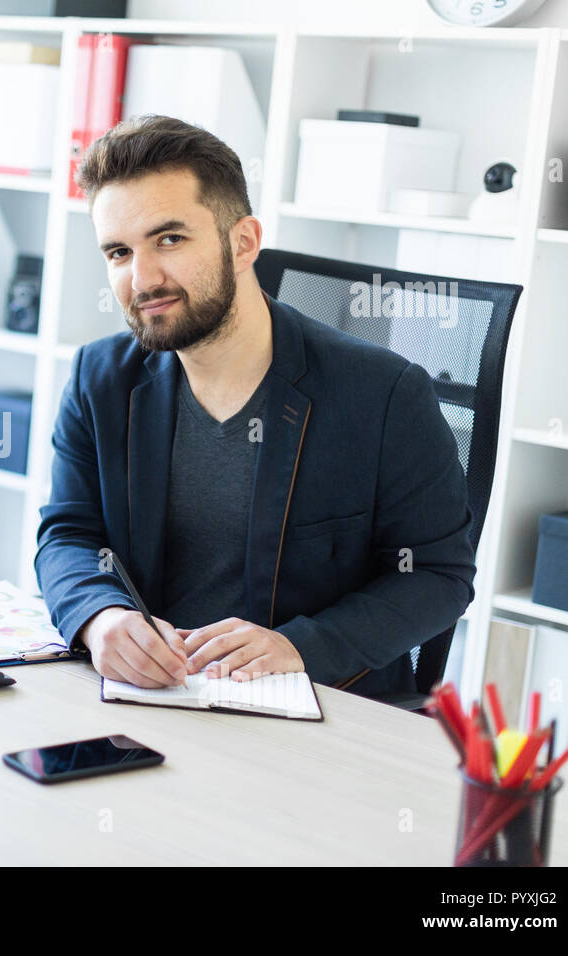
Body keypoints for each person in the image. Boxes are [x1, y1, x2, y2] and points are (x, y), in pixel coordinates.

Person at [34, 114, 476, 697]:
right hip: (148, 696)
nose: (142, 279)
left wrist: (301, 645)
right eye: (119, 252)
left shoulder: (384, 395)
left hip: (318, 706)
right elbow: (68, 531)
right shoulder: (101, 378)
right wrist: (99, 618)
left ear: (243, 242)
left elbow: (436, 575)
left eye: (169, 238)